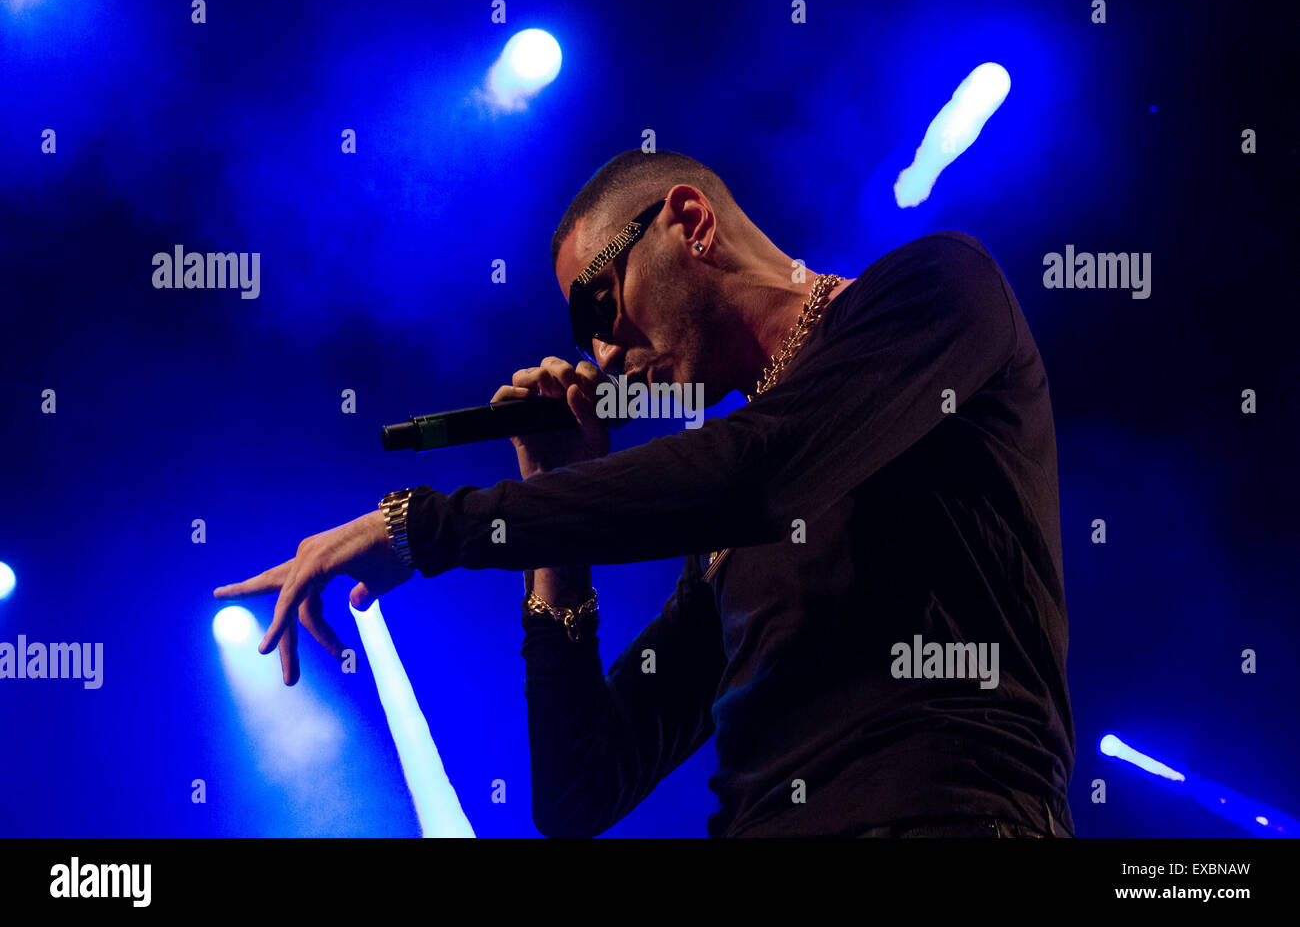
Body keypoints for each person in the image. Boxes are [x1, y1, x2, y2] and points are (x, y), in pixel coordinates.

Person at [215, 149, 1075, 838]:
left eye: (598, 300)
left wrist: (425, 528)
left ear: (689, 222)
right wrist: (555, 498)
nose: (602, 351)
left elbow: (763, 474)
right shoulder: (725, 530)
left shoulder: (940, 291)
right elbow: (578, 795)